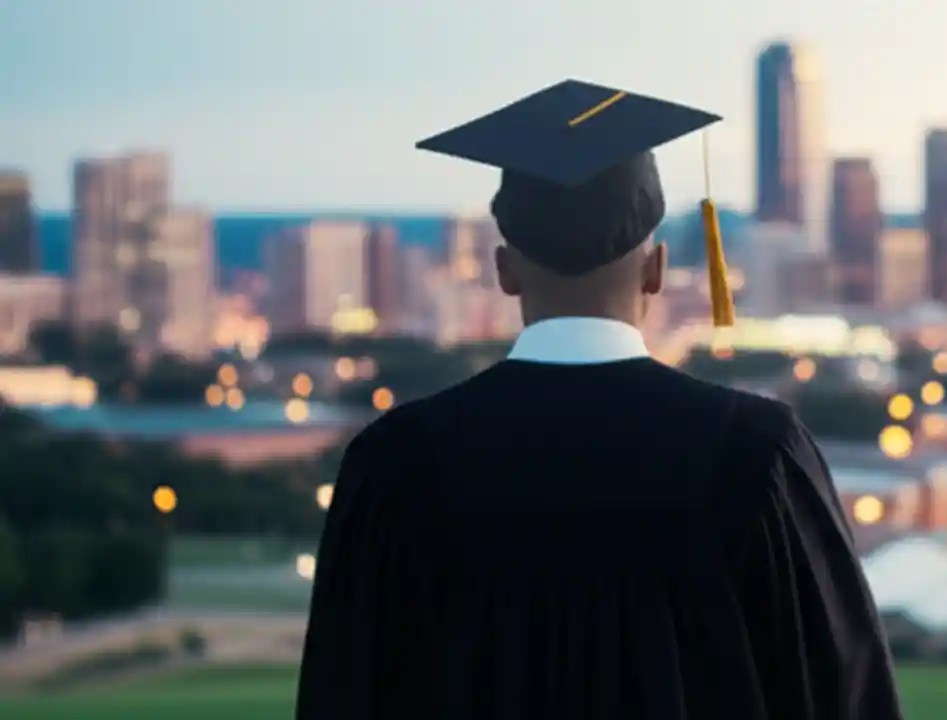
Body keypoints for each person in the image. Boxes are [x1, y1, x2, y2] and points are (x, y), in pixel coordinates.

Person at [296, 79, 903, 719]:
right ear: (657, 271)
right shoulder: (756, 457)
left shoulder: (396, 465)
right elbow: (843, 695)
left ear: (503, 271)